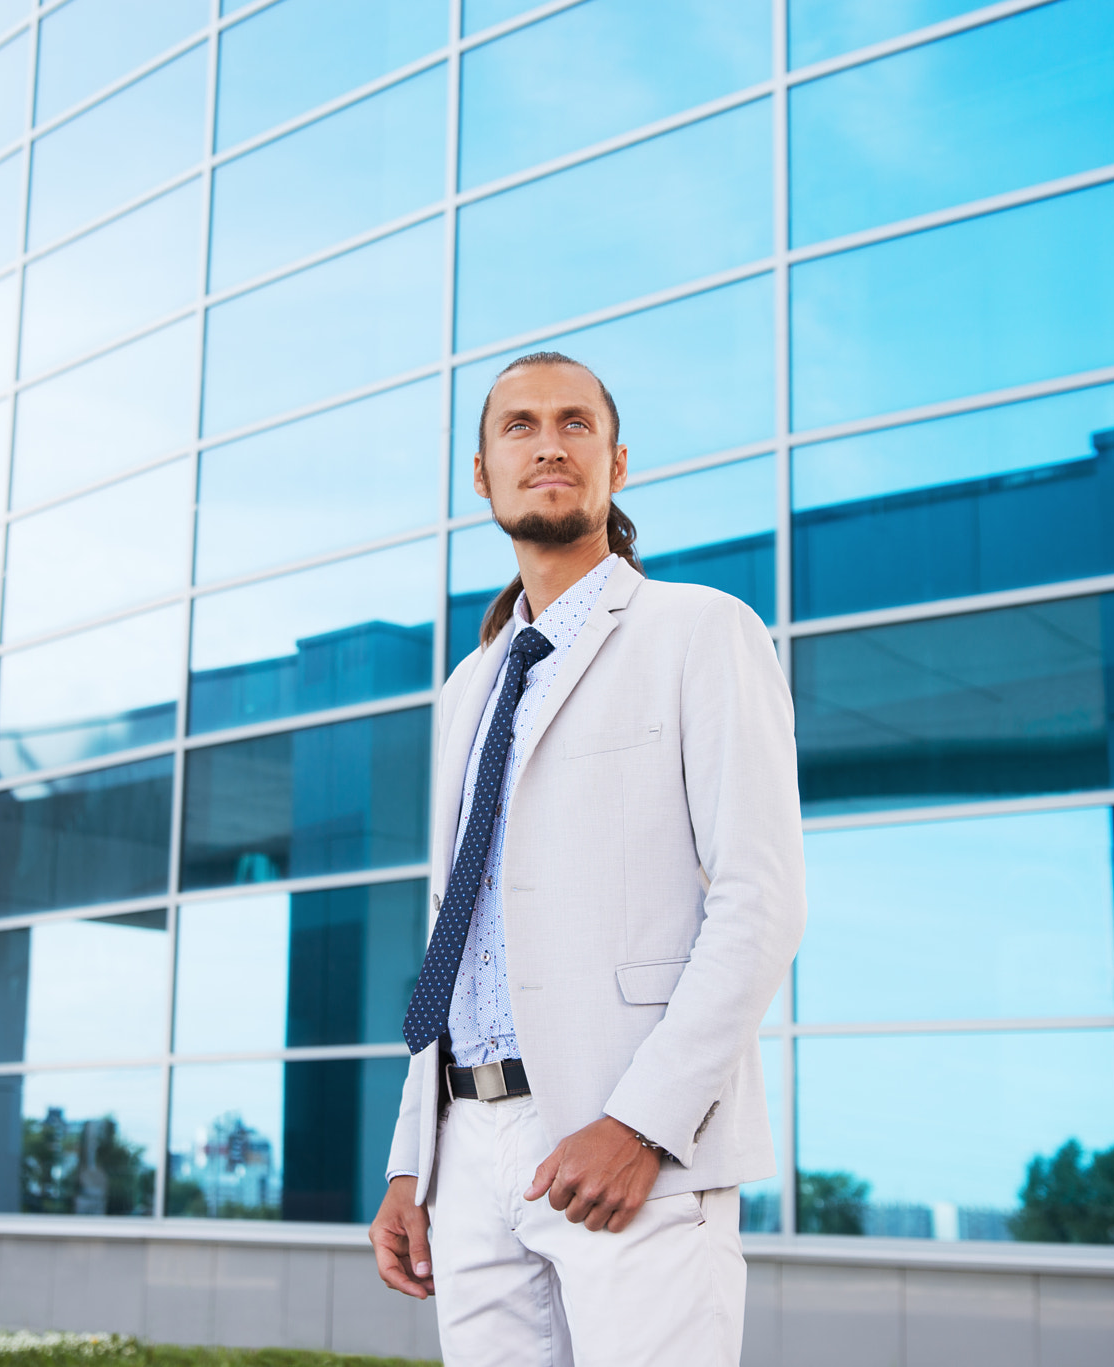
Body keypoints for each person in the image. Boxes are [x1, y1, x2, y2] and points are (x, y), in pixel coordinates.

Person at [368, 351, 805, 1366]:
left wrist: (641, 1122)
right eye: (518, 426)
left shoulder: (699, 630)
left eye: (573, 422)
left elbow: (758, 901)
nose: (548, 443)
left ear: (615, 460)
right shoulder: (465, 687)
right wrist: (412, 1157)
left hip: (623, 1139)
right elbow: (455, 933)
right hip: (466, 1152)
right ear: (481, 472)